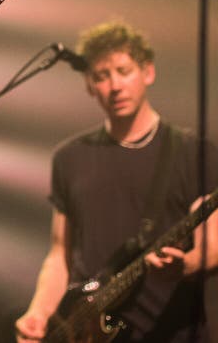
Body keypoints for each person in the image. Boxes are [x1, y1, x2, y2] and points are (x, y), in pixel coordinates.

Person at [15, 21, 218, 342]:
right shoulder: (69, 157)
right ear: (89, 85)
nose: (115, 86)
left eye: (124, 71)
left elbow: (213, 241)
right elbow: (60, 255)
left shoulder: (191, 152)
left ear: (147, 72)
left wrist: (187, 264)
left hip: (170, 332)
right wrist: (38, 313)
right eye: (101, 76)